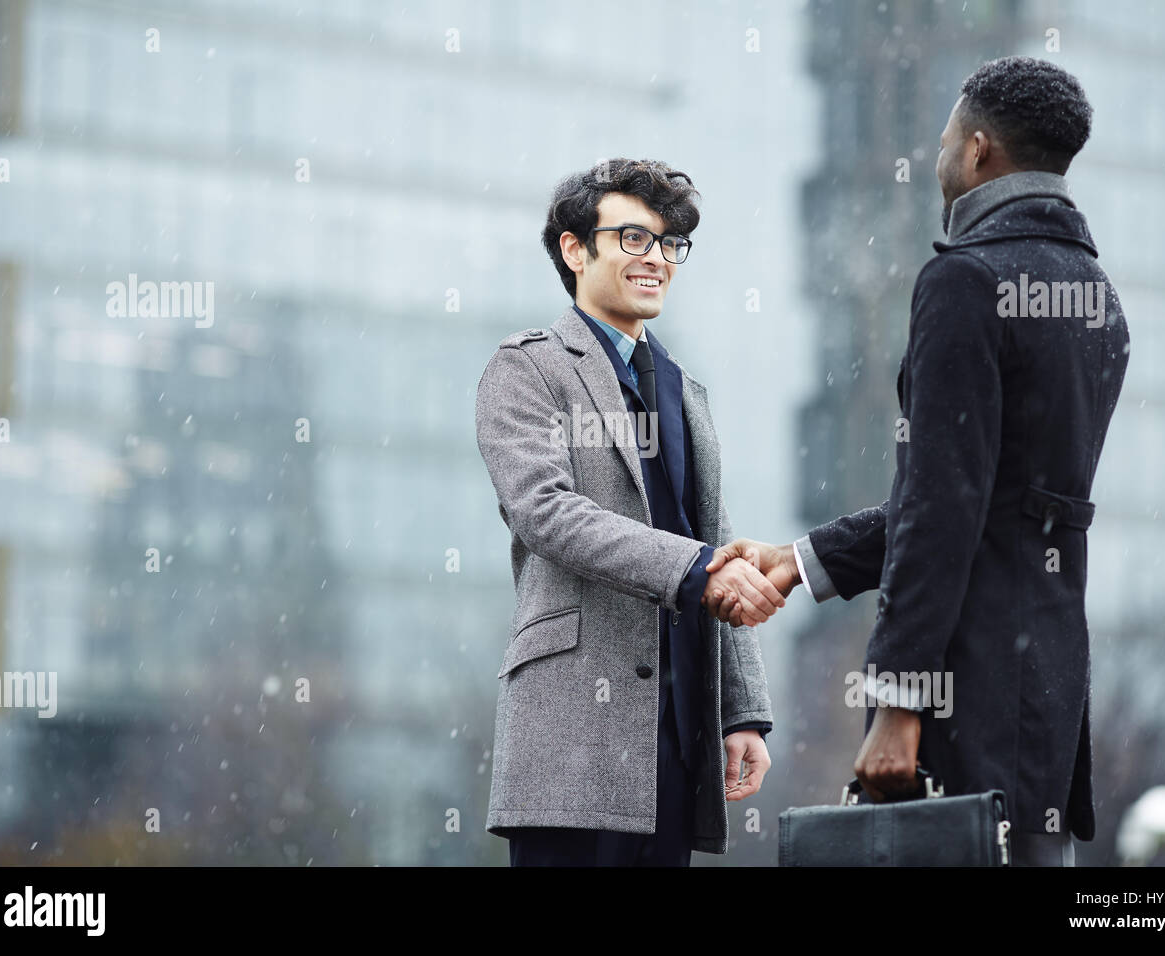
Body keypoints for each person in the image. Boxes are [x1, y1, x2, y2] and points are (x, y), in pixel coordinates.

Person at [706, 57, 1130, 867]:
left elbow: (944, 503)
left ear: (976, 152)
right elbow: (991, 498)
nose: (938, 157)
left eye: (944, 141)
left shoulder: (965, 281)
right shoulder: (1098, 299)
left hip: (961, 683)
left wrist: (899, 701)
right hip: (1046, 688)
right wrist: (803, 560)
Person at [475, 158, 781, 866]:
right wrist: (696, 567)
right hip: (571, 736)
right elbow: (545, 513)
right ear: (574, 249)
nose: (658, 260)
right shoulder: (527, 368)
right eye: (634, 239)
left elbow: (717, 539)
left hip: (676, 739)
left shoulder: (683, 390)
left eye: (669, 243)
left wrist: (743, 713)